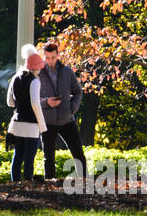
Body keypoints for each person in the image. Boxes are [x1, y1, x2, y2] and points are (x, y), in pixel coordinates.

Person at [36, 40, 87, 181]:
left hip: (67, 119)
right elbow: (33, 99)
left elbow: (78, 92)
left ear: (58, 55)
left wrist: (71, 109)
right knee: (49, 157)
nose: (50, 61)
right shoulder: (38, 74)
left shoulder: (67, 71)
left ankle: (84, 183)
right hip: (48, 121)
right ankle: (50, 186)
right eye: (47, 57)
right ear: (43, 56)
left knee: (78, 153)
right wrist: (46, 102)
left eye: (52, 57)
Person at [5, 44, 45, 182]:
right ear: (37, 67)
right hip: (31, 125)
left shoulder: (15, 78)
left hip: (17, 123)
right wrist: (42, 125)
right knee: (29, 158)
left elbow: (10, 102)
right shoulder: (34, 81)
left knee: (17, 156)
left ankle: (14, 184)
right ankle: (28, 183)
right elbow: (35, 103)